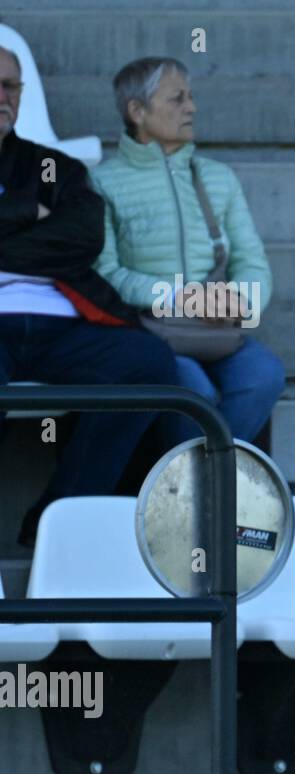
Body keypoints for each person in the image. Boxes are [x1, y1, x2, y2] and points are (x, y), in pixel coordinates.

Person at [0, 45, 182, 548]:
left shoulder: (52, 168)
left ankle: (63, 517)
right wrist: (25, 212)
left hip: (64, 320)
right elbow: (55, 236)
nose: (3, 95)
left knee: (147, 362)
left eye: (10, 85)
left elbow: (82, 238)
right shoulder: (36, 190)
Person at [90, 56, 283, 452]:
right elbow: (104, 272)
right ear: (137, 111)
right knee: (191, 391)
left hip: (217, 328)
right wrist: (178, 296)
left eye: (191, 97)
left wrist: (242, 300)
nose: (191, 107)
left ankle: (207, 484)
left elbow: (252, 260)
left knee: (264, 375)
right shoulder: (101, 181)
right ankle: (195, 492)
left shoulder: (217, 176)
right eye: (177, 99)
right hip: (149, 330)